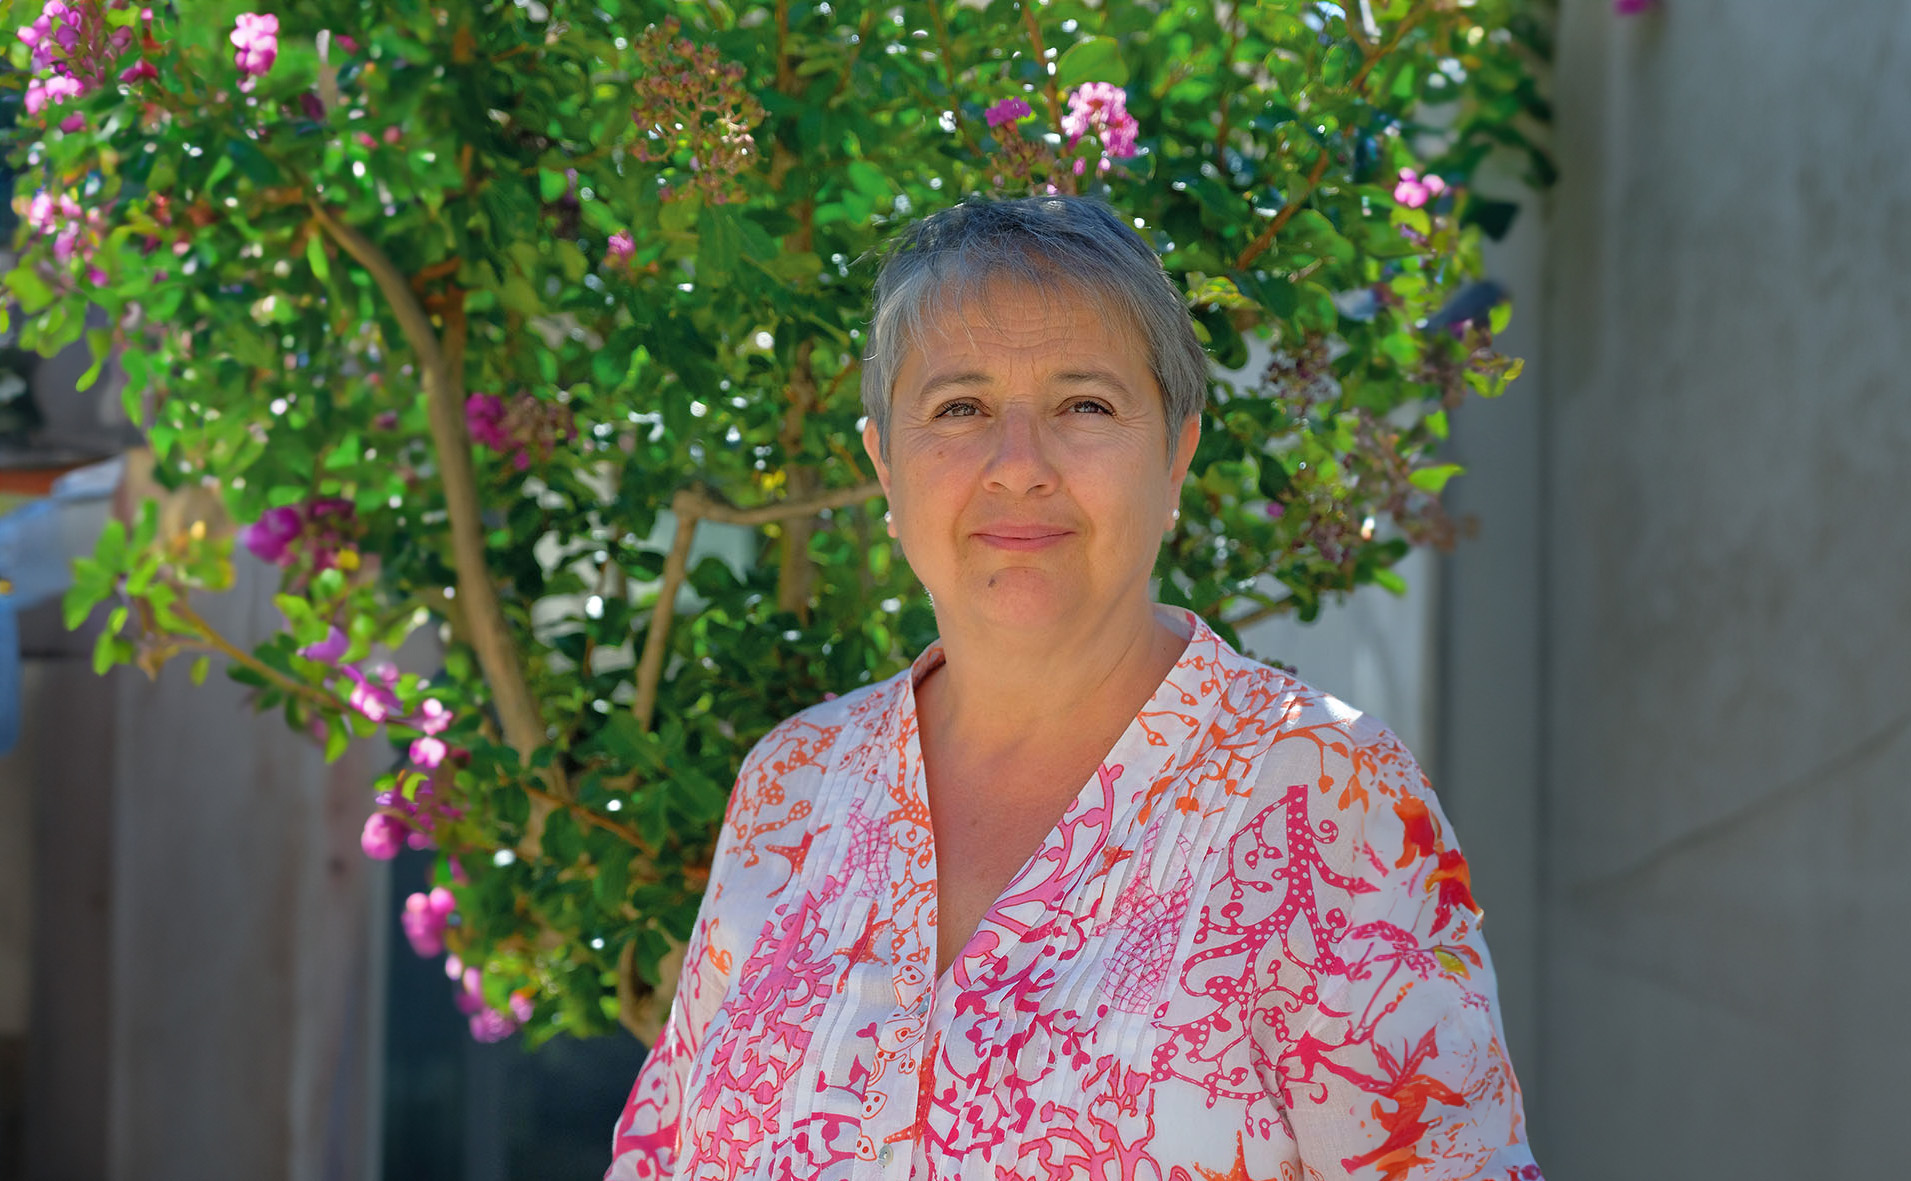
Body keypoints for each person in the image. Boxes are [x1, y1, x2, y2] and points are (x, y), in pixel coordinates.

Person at [606, 195, 1541, 1180]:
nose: (1020, 466)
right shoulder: (791, 786)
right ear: (885, 462)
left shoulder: (1325, 794)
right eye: (959, 407)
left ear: (1175, 452)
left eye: (1084, 405)